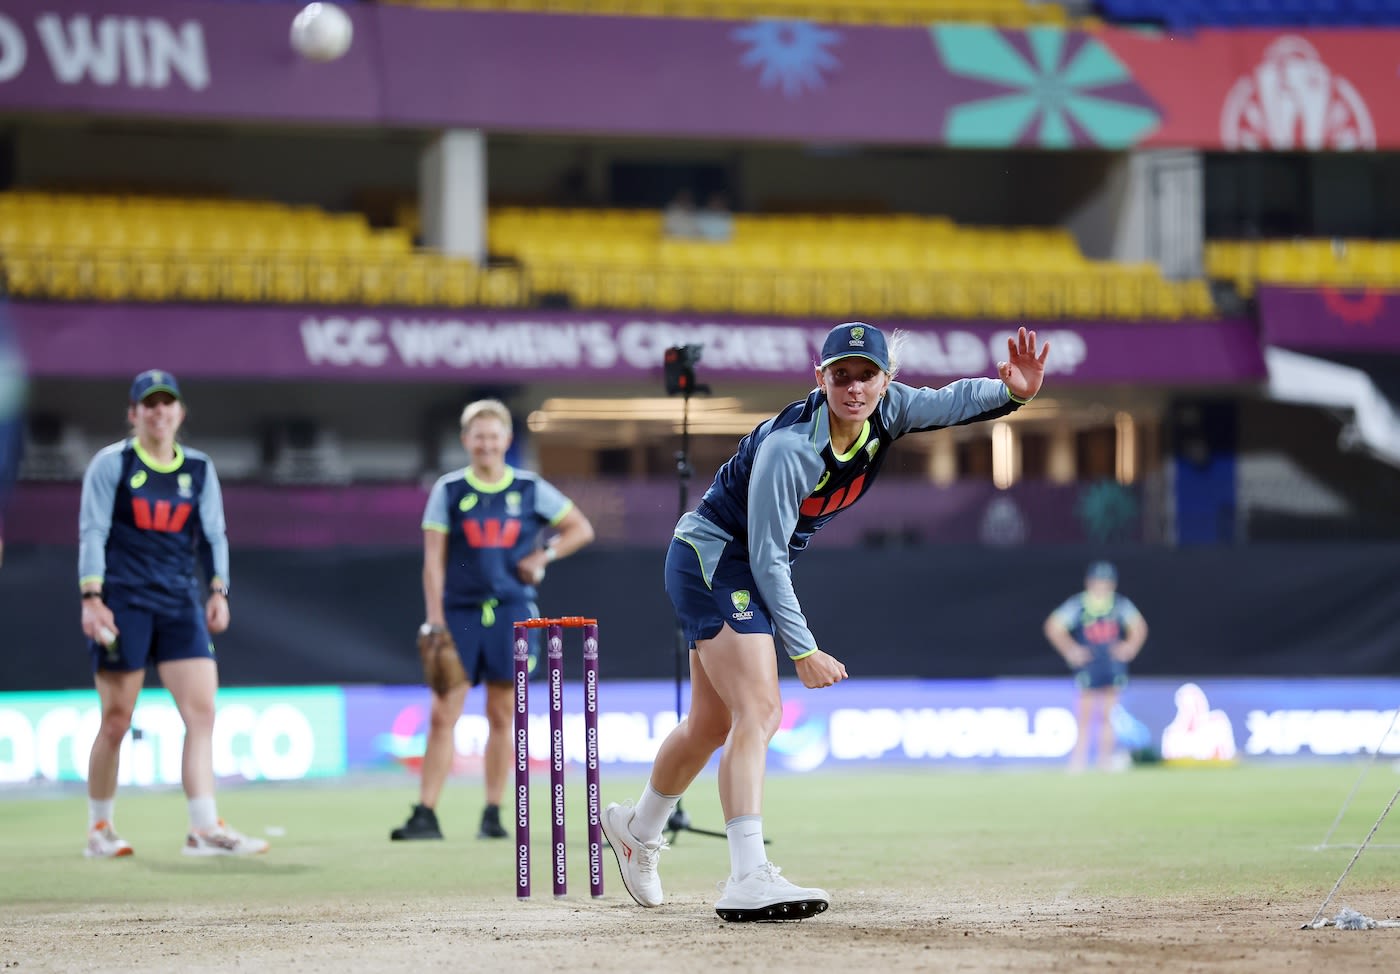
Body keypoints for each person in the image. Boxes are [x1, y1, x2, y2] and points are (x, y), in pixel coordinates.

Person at [601, 321, 1049, 921]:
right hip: (712, 560)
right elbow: (765, 557)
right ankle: (747, 876)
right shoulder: (792, 448)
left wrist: (1014, 393)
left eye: (868, 375)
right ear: (821, 378)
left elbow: (952, 402)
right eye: (842, 375)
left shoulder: (891, 409)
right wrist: (802, 648)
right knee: (759, 711)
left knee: (711, 723)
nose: (856, 387)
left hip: (742, 564)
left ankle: (637, 830)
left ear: (885, 381)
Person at [78, 370, 267, 858]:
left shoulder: (199, 469)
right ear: (134, 413)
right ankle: (100, 827)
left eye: (168, 404)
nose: (159, 412)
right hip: (126, 601)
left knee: (201, 713)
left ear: (180, 413)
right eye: (149, 404)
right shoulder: (113, 464)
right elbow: (93, 531)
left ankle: (203, 828)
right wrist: (92, 597)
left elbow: (214, 535)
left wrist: (219, 590)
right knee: (117, 719)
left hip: (180, 602)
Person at [391, 398, 595, 841]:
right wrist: (433, 620)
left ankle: (494, 812)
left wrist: (545, 554)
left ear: (507, 440)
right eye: (477, 436)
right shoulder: (448, 490)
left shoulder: (528, 487)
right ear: (466, 441)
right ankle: (426, 812)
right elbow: (433, 562)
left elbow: (581, 527)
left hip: (512, 612)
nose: (486, 444)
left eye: (493, 435)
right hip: (459, 613)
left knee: (504, 714)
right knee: (444, 713)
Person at [1042, 561, 1149, 772]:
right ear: (1089, 582)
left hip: (1111, 664)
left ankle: (1104, 760)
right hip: (1089, 665)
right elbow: (1053, 626)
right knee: (1084, 716)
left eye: (1105, 582)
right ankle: (1079, 761)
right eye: (1098, 581)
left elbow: (1139, 627)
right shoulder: (1080, 604)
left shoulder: (1118, 605)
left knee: (1109, 716)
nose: (1101, 586)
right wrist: (1071, 650)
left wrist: (1129, 648)